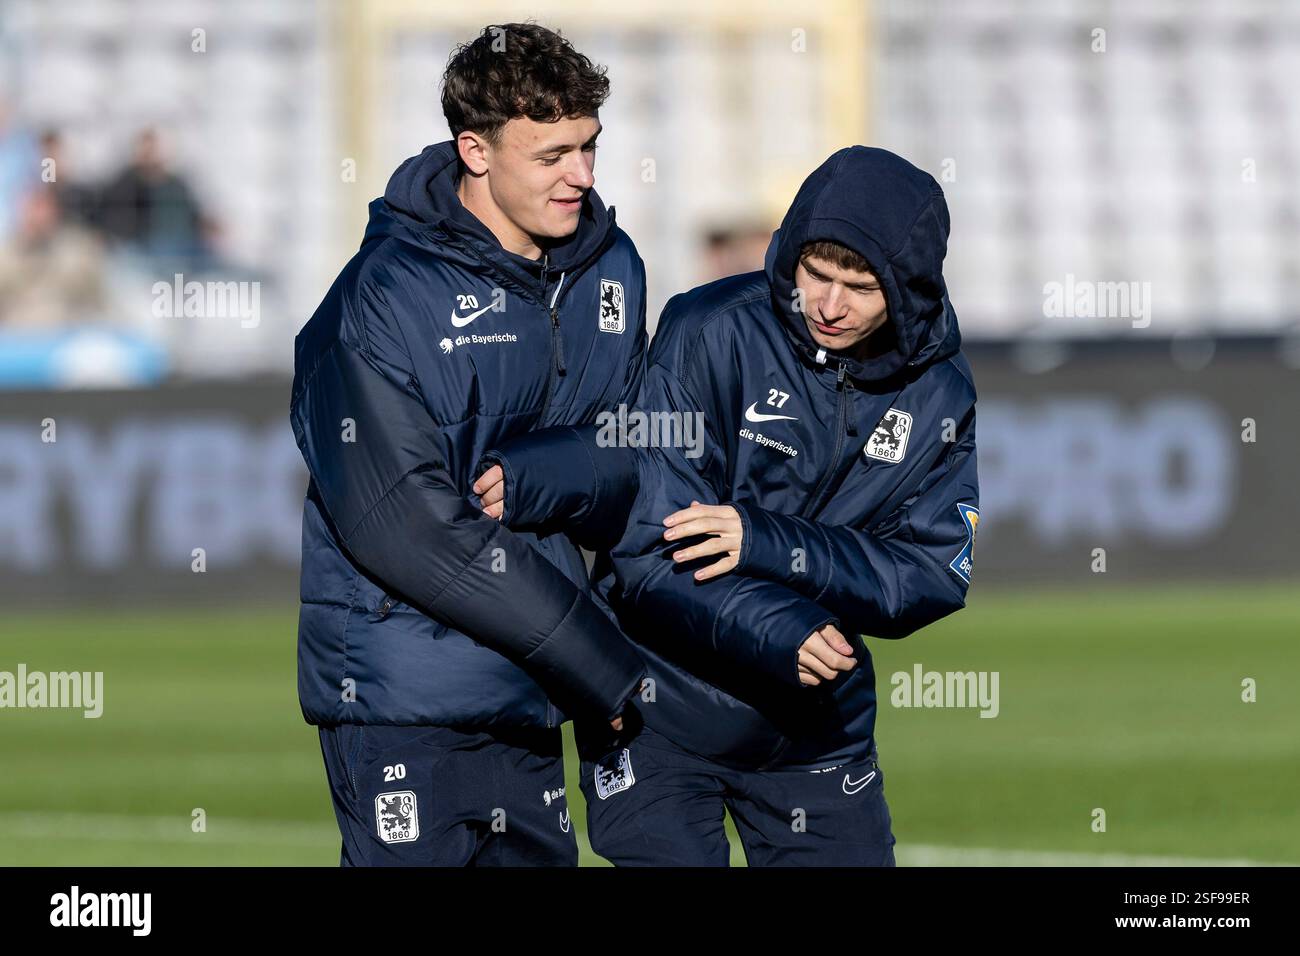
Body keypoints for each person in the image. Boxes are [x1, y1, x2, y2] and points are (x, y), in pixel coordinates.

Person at [479, 146, 979, 866]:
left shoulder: (942, 391)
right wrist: (784, 629)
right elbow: (648, 550)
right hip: (656, 711)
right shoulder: (709, 330)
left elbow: (931, 573)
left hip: (814, 726)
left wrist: (766, 541)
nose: (830, 305)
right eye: (816, 275)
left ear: (908, 289)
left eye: (860, 286)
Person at [289, 22, 648, 867]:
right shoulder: (379, 298)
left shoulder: (613, 269)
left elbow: (644, 446)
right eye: (552, 154)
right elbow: (407, 523)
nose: (582, 175)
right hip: (405, 701)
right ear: (475, 152)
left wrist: (555, 473)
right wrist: (590, 653)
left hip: (535, 694)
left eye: (589, 147)